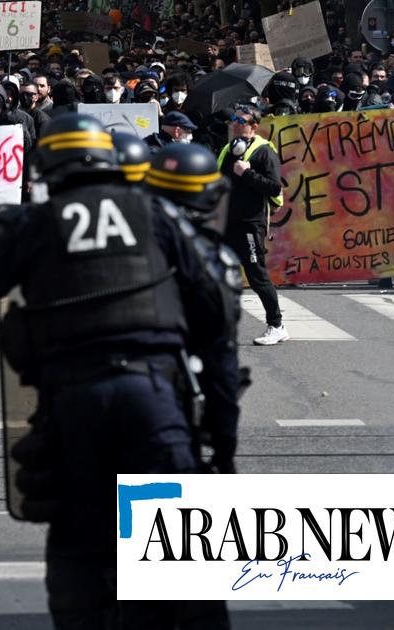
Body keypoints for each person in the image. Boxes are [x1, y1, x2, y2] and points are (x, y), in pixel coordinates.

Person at [0, 113, 227, 629]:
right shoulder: (156, 214)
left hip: (74, 403)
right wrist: (221, 441)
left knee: (78, 538)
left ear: (47, 166)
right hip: (157, 401)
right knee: (174, 548)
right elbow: (213, 315)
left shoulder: (29, 225)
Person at [143, 142, 243, 475]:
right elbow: (222, 369)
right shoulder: (211, 262)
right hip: (163, 411)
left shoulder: (118, 245)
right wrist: (224, 452)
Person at [217, 103, 287, 346]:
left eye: (242, 120)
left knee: (257, 276)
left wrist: (246, 174)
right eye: (235, 119)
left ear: (254, 127)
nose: (236, 123)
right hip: (226, 221)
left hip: (249, 223)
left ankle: (276, 325)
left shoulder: (264, 152)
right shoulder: (228, 148)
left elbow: (275, 187)